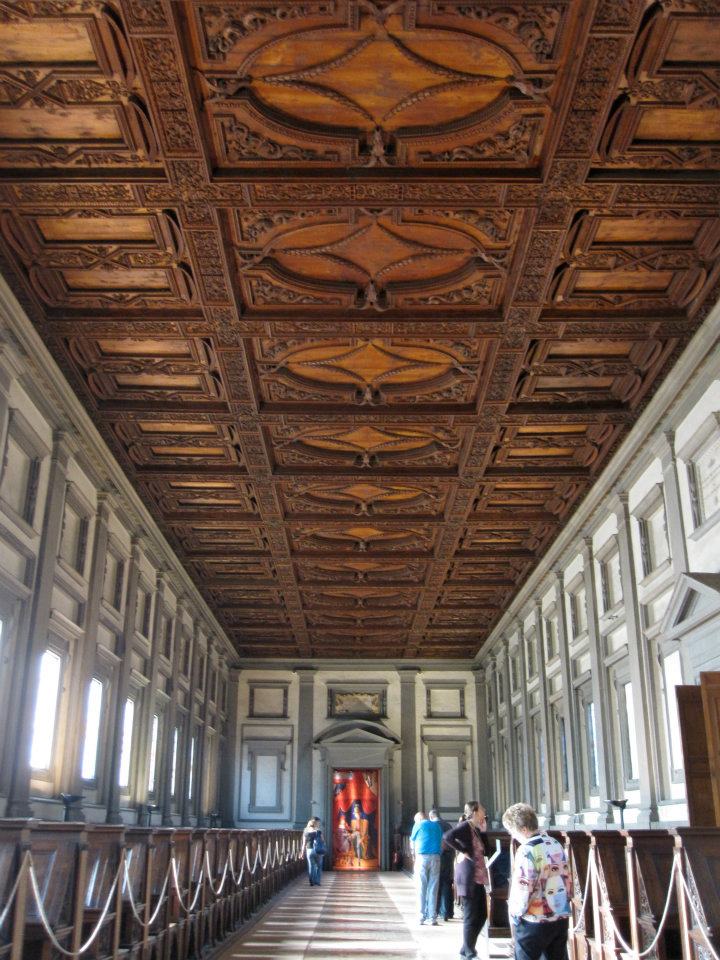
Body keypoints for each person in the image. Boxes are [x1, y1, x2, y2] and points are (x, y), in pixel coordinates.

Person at [502, 803, 572, 960]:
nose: (513, 836)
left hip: (534, 921)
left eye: (512, 832)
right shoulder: (555, 844)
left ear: (523, 830)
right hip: (559, 917)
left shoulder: (526, 850)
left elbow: (524, 888)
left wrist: (515, 915)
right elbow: (567, 879)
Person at [443, 801, 491, 959]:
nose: (485, 811)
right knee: (471, 915)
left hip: (478, 877)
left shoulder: (476, 829)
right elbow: (447, 837)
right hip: (468, 877)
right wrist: (463, 850)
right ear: (475, 811)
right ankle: (469, 952)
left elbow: (488, 850)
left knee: (482, 914)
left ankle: (466, 948)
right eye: (482, 809)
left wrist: (484, 832)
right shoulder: (465, 826)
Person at [410, 809, 443, 926]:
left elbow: (412, 842)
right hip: (436, 857)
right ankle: (432, 917)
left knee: (421, 887)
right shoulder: (437, 826)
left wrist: (413, 856)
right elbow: (441, 841)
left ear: (418, 819)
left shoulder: (418, 825)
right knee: (433, 887)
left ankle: (420, 916)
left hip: (422, 857)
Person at [430, 808, 455, 921]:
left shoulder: (432, 826)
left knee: (437, 884)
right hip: (449, 857)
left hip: (438, 856)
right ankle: (448, 912)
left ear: (431, 817)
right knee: (447, 883)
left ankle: (437, 910)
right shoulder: (448, 825)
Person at [303, 817, 325, 886]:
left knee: (311, 866)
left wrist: (301, 853)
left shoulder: (306, 831)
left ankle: (311, 881)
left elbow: (304, 843)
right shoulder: (318, 831)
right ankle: (317, 881)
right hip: (317, 850)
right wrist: (323, 849)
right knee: (319, 866)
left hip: (309, 850)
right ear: (315, 824)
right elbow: (322, 841)